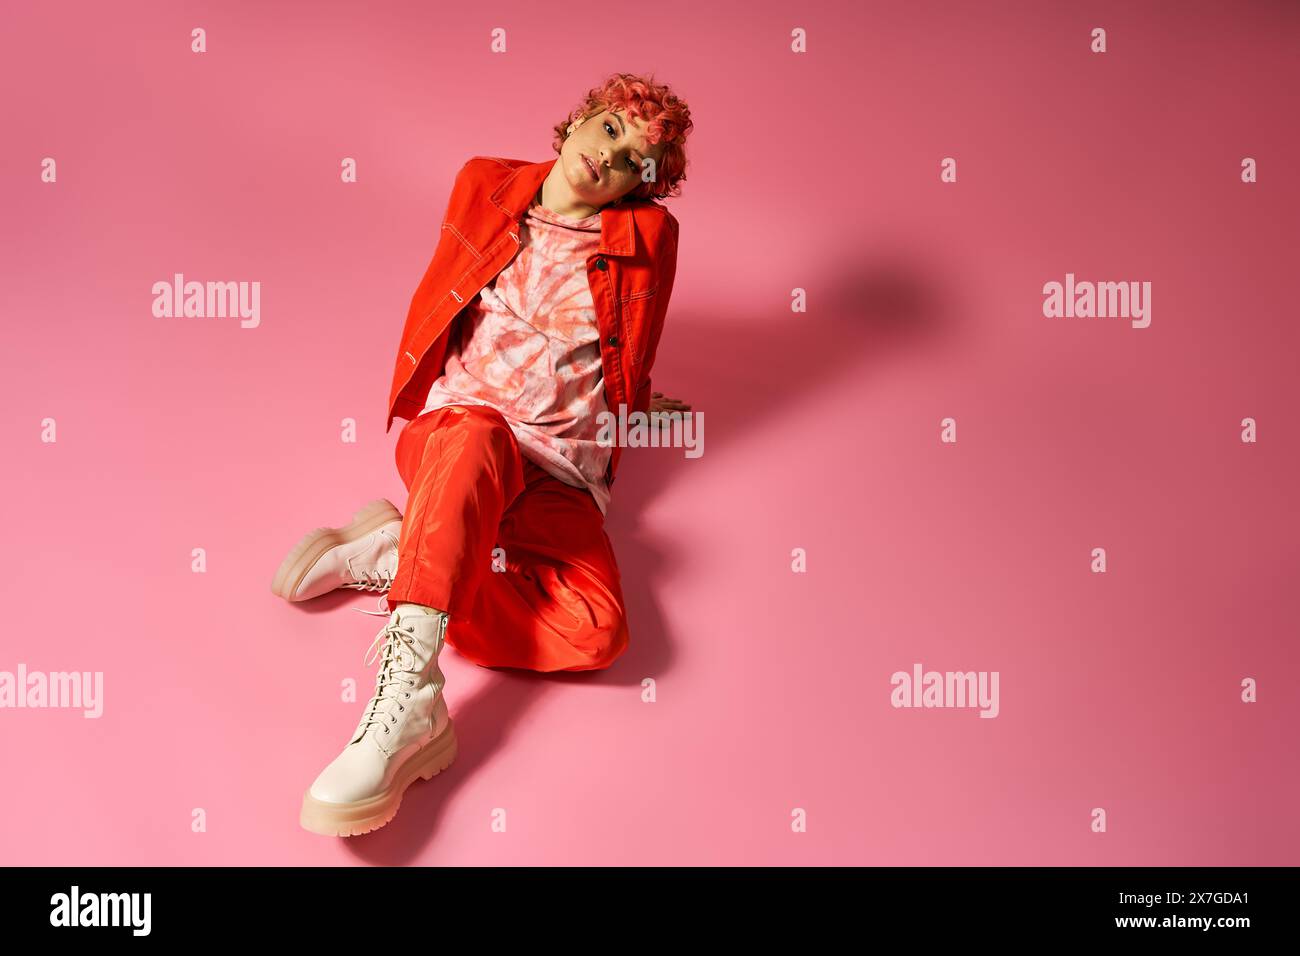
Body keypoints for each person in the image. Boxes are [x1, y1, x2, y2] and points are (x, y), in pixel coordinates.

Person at [274, 72, 694, 837]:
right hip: (457, 438)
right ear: (572, 126)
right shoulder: (486, 186)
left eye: (636, 160)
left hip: (559, 470)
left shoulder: (647, 241)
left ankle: (408, 549)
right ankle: (409, 697)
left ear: (642, 188)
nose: (612, 157)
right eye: (608, 131)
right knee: (476, 432)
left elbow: (637, 332)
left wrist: (638, 399)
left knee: (598, 630)